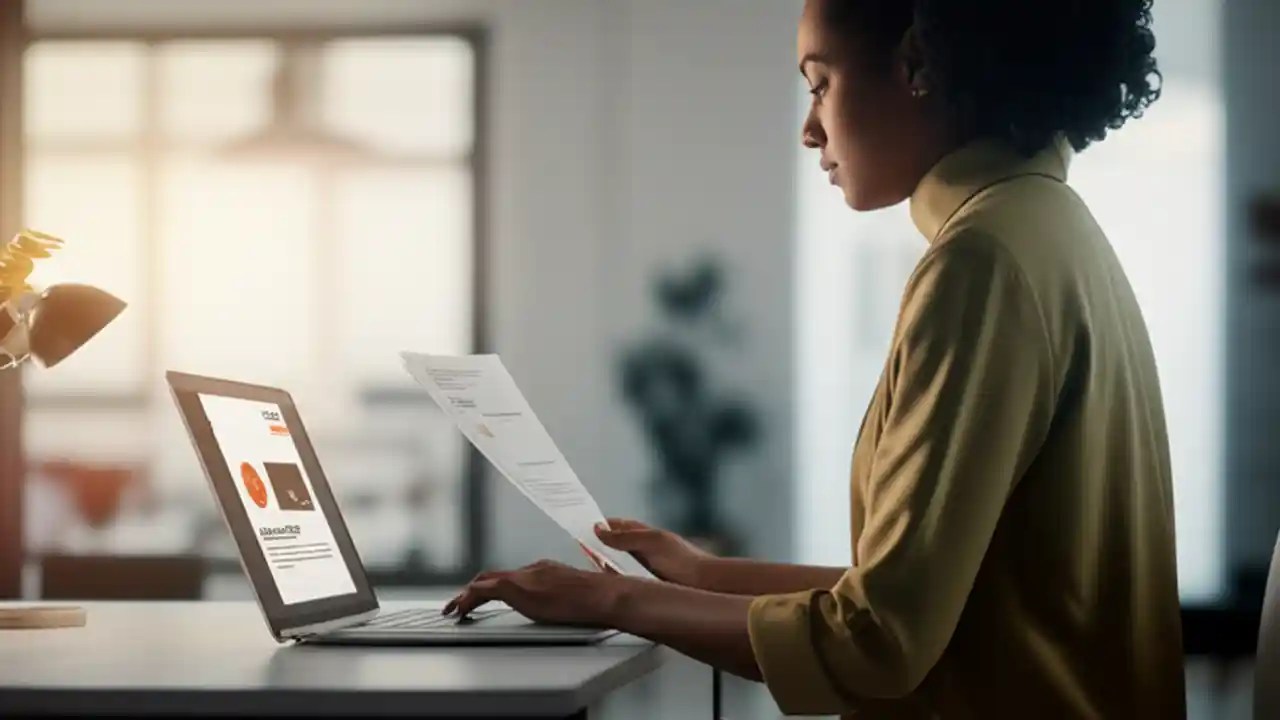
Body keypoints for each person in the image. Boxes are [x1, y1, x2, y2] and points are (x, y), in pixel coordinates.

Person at [444, 0, 1186, 716]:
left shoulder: (980, 263)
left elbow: (879, 643)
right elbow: (939, 599)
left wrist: (614, 600)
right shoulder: (1051, 229)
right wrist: (703, 575)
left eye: (820, 83)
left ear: (917, 64)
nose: (809, 129)